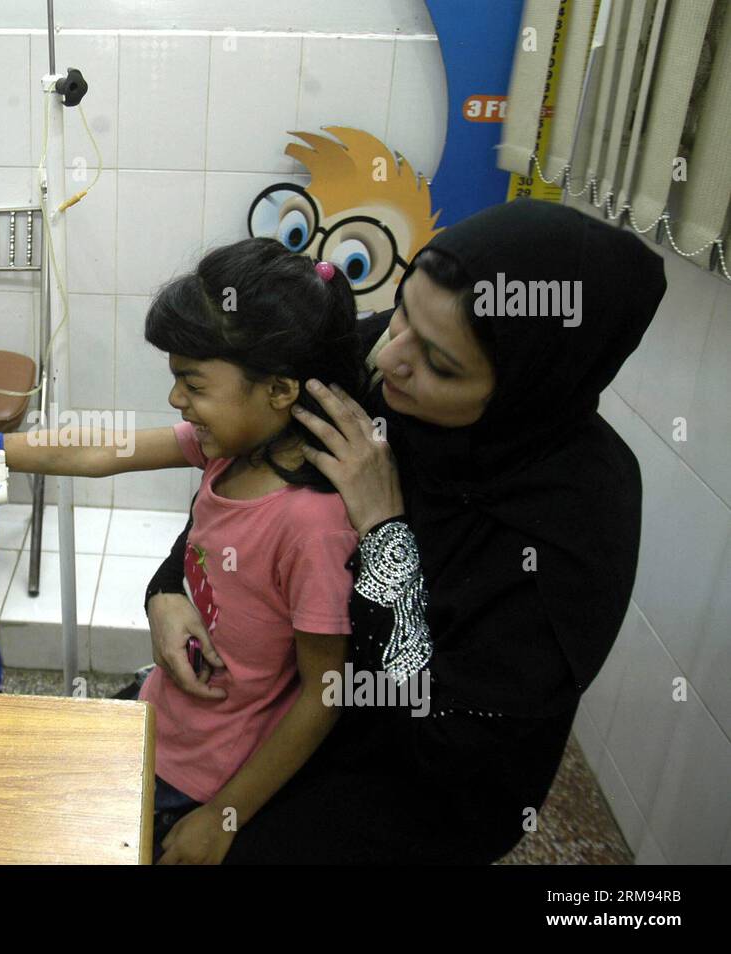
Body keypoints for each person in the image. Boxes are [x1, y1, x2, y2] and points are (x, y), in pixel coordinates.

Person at [145, 198, 667, 863]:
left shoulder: (577, 521)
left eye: (442, 365)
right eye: (401, 313)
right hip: (295, 702)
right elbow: (249, 463)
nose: (390, 358)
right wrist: (168, 591)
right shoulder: (383, 355)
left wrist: (385, 533)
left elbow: (447, 736)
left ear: (523, 387)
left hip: (416, 779)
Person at [0, 239, 368, 863]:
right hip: (163, 720)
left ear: (278, 390)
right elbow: (87, 449)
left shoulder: (313, 524)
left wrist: (224, 819)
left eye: (192, 384)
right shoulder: (228, 449)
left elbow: (324, 695)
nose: (177, 401)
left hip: (203, 781)